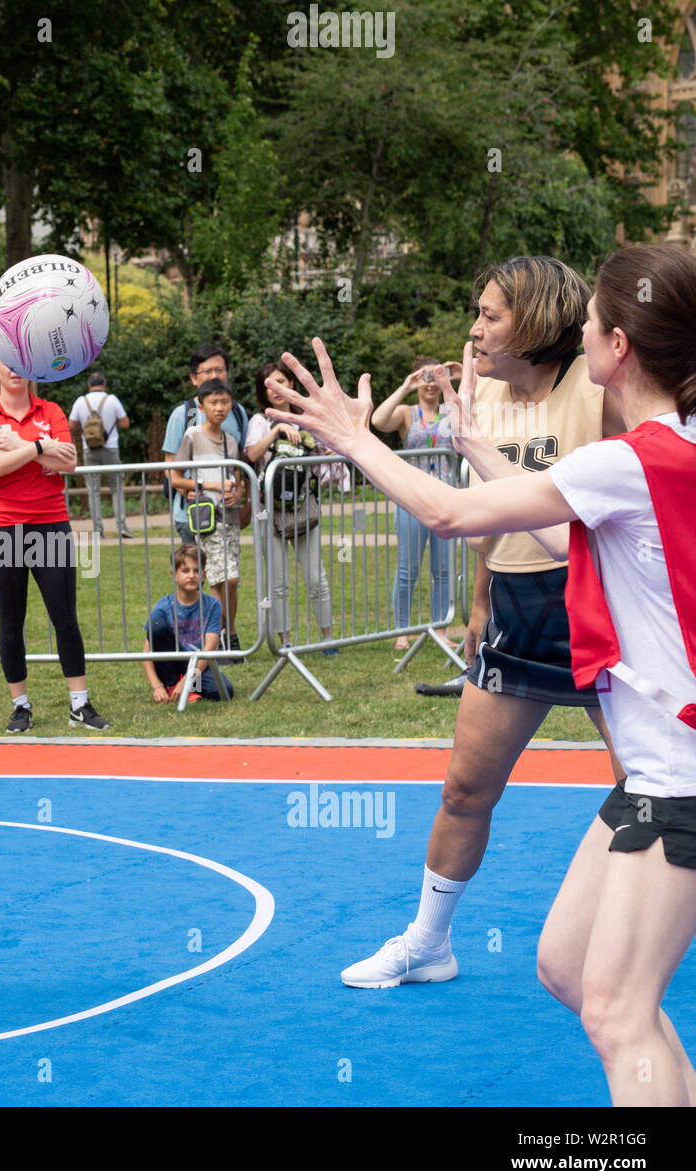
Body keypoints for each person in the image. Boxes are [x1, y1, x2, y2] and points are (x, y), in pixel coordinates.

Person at [268, 242, 696, 1105]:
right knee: (567, 967)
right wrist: (474, 443)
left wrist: (354, 437)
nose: (581, 328)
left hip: (679, 777)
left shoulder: (631, 457)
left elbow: (446, 513)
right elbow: (561, 531)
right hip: (658, 776)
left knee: (617, 1010)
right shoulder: (662, 454)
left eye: (592, 322)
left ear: (619, 348)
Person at [330, 258, 626, 989]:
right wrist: (482, 598)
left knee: (652, 787)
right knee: (465, 788)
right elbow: (487, 516)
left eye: (491, 314)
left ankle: (652, 921)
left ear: (535, 321)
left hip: (602, 605)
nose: (475, 327)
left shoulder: (598, 391)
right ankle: (428, 942)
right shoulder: (480, 398)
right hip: (519, 609)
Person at [0, 353, 111, 733]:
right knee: (11, 620)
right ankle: (21, 706)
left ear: (33, 370)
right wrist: (38, 448)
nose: (15, 370)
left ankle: (79, 705)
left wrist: (17, 444)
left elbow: (69, 463)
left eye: (21, 363)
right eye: (6, 363)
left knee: (65, 617)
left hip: (50, 523)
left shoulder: (52, 410)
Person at [245, 362, 338, 654]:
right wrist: (276, 430)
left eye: (281, 382)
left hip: (303, 509)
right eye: (269, 385)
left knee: (315, 577)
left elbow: (326, 452)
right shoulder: (259, 421)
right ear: (263, 390)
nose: (276, 389)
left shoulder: (308, 418)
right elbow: (251, 454)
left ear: (292, 385)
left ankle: (327, 639)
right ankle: (285, 642)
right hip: (269, 512)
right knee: (278, 582)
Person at [162, 345, 248, 652]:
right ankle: (206, 639)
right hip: (194, 516)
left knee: (229, 578)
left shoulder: (236, 420)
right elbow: (172, 472)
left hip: (227, 515)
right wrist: (207, 485)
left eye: (220, 370)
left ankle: (228, 634)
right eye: (207, 371)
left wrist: (240, 492)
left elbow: (241, 467)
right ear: (195, 380)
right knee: (201, 579)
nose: (220, 406)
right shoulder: (183, 419)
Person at [371, 356, 460, 650]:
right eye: (425, 378)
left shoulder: (452, 409)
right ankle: (402, 632)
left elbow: (482, 411)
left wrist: (458, 378)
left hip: (445, 499)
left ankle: (440, 629)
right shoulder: (406, 413)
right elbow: (378, 421)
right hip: (412, 500)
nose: (431, 384)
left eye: (436, 376)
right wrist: (405, 386)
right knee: (408, 568)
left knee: (443, 569)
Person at [143, 544, 233, 702]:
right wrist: (156, 685)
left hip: (198, 665)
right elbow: (146, 653)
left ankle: (187, 688)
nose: (192, 575)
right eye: (185, 571)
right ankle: (170, 685)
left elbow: (209, 649)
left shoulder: (213, 605)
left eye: (196, 571)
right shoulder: (163, 606)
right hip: (171, 664)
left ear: (203, 575)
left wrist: (187, 680)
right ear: (174, 575)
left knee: (224, 691)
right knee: (157, 625)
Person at [68, 371, 134, 539]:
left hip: (89, 449)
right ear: (104, 384)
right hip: (110, 448)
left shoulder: (80, 401)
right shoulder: (112, 400)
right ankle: (122, 527)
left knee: (93, 491)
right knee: (117, 488)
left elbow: (71, 425)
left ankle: (98, 530)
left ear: (89, 385)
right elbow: (125, 423)